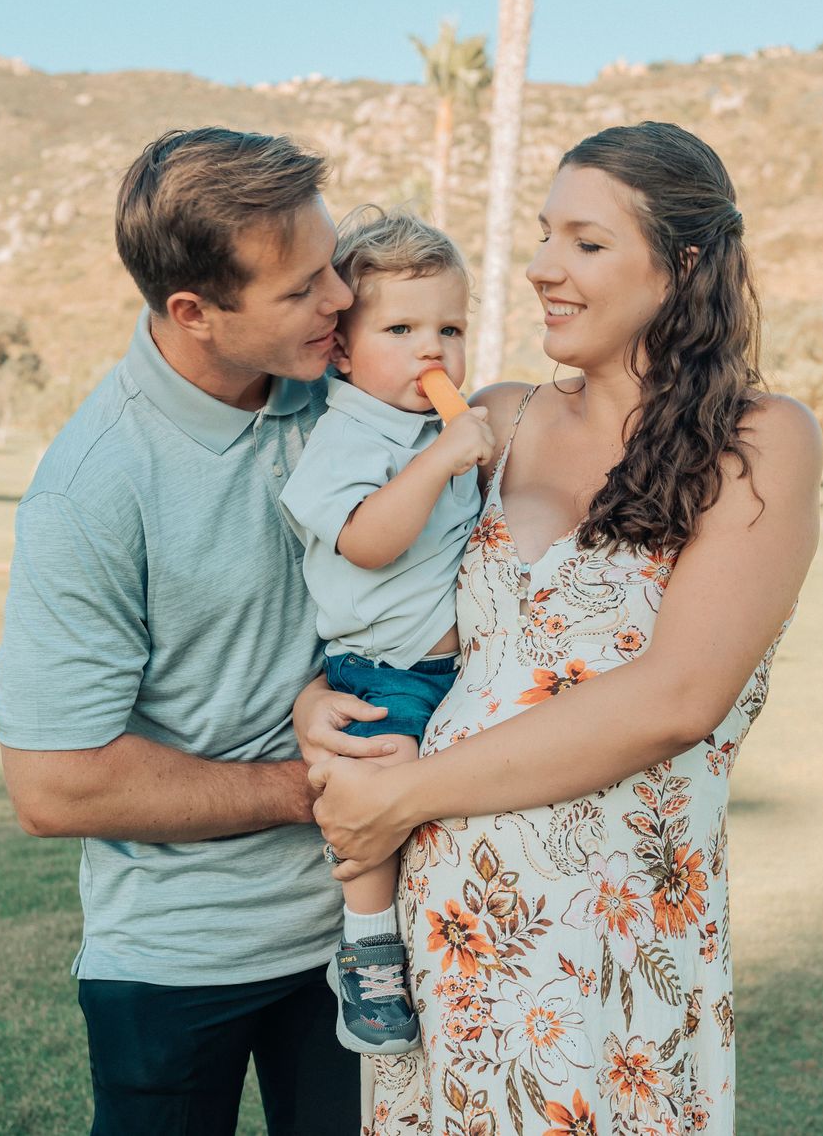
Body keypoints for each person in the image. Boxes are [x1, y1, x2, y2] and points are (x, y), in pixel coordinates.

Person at [301, 123, 823, 1135]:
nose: (541, 267)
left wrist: (399, 793)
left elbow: (677, 700)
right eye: (544, 236)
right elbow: (359, 579)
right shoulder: (493, 418)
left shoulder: (760, 441)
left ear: (680, 264)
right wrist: (312, 699)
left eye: (583, 242)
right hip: (442, 941)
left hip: (614, 950)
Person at [0, 127, 387, 1136]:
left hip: (362, 934)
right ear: (194, 313)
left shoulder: (347, 392)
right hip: (171, 964)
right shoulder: (91, 485)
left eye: (332, 265)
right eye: (302, 290)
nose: (340, 298)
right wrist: (314, 788)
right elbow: (54, 781)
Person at [279, 206, 495, 1055]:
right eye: (400, 328)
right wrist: (442, 458)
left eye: (450, 327)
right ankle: (366, 951)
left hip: (460, 671)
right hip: (383, 672)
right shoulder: (348, 437)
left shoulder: (442, 424)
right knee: (373, 792)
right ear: (342, 349)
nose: (431, 351)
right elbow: (368, 541)